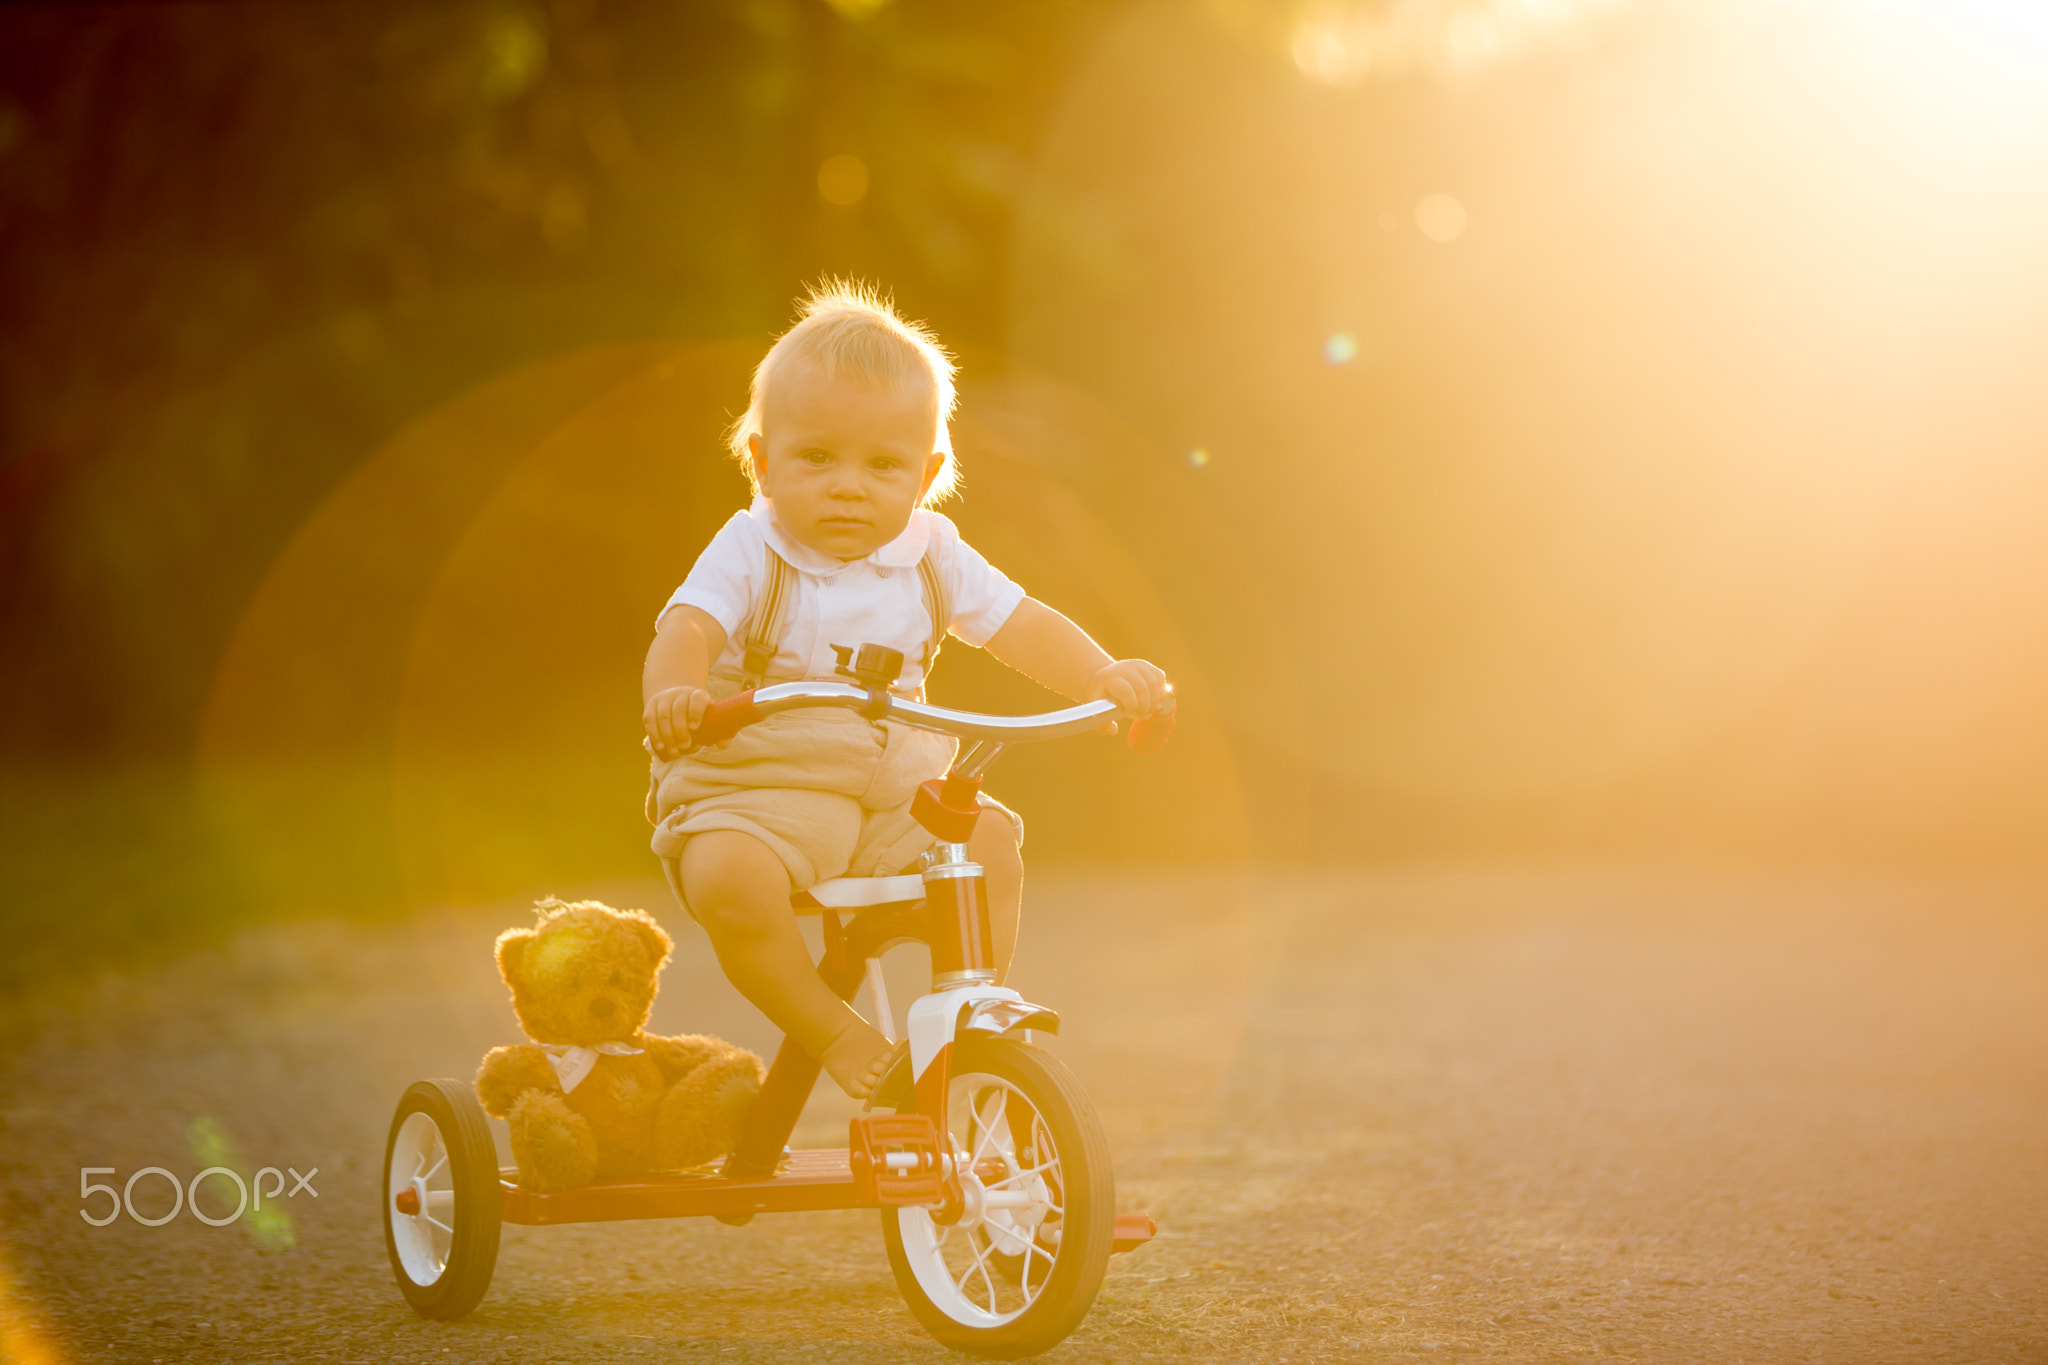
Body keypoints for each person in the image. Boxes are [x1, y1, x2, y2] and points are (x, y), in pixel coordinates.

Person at [641, 280, 1172, 1100]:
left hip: (891, 790)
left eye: (883, 465)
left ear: (925, 476)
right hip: (756, 784)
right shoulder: (752, 546)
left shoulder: (932, 552)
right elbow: (688, 627)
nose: (849, 485)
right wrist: (675, 694)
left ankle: (968, 1017)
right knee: (727, 878)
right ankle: (834, 1032)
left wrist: (1102, 674)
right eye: (817, 457)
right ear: (763, 461)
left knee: (988, 841)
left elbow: (1020, 622)